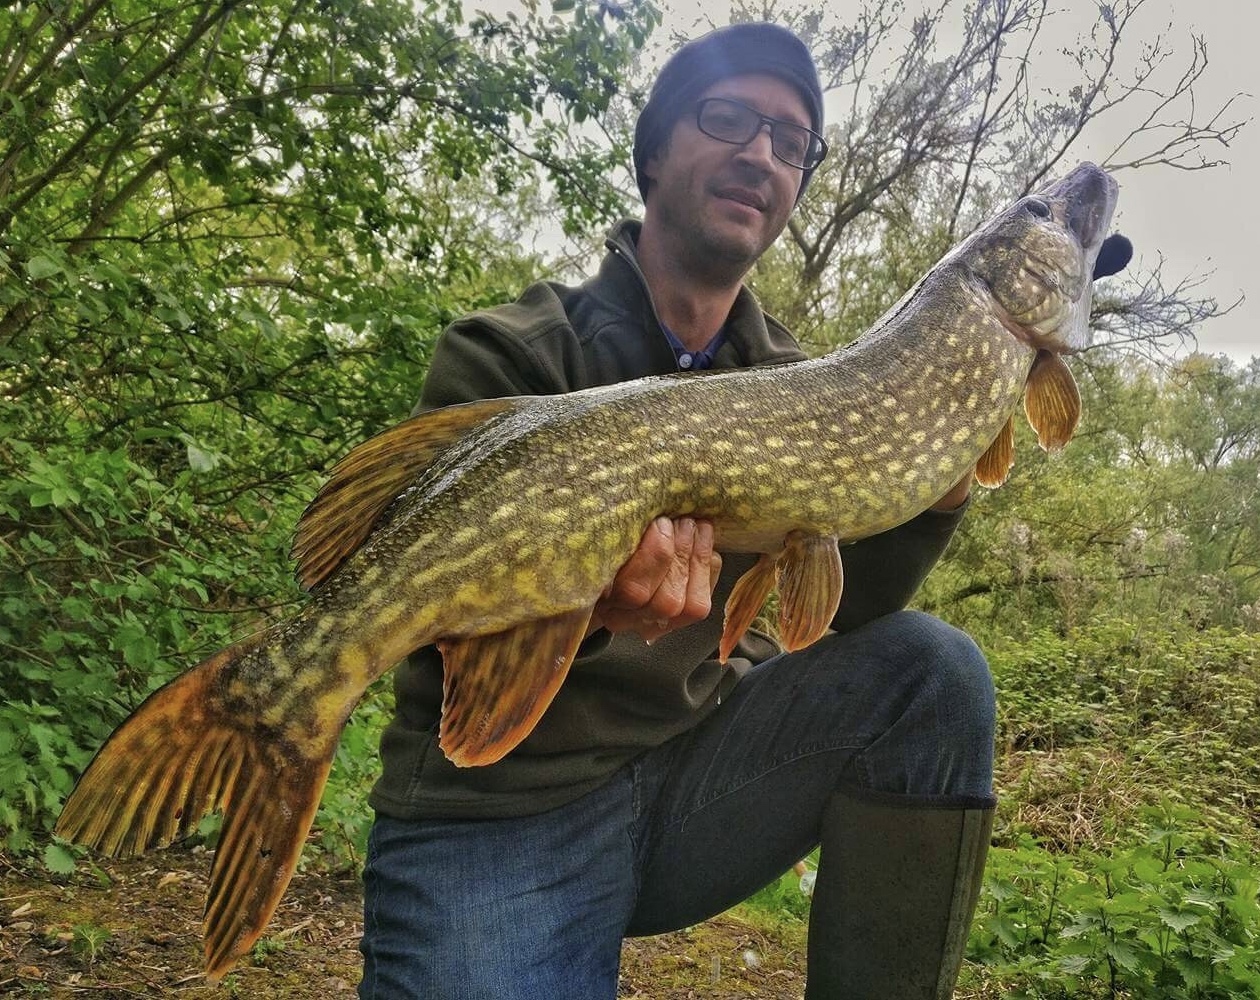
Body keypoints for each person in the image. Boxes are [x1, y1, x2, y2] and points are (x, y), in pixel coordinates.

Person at [357, 22, 1132, 1000]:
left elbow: (847, 611)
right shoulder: (507, 355)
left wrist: (933, 486)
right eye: (727, 116)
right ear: (652, 152)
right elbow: (436, 610)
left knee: (936, 675)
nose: (761, 152)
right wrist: (593, 605)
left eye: (792, 140)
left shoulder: (799, 380)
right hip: (501, 807)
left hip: (694, 785)